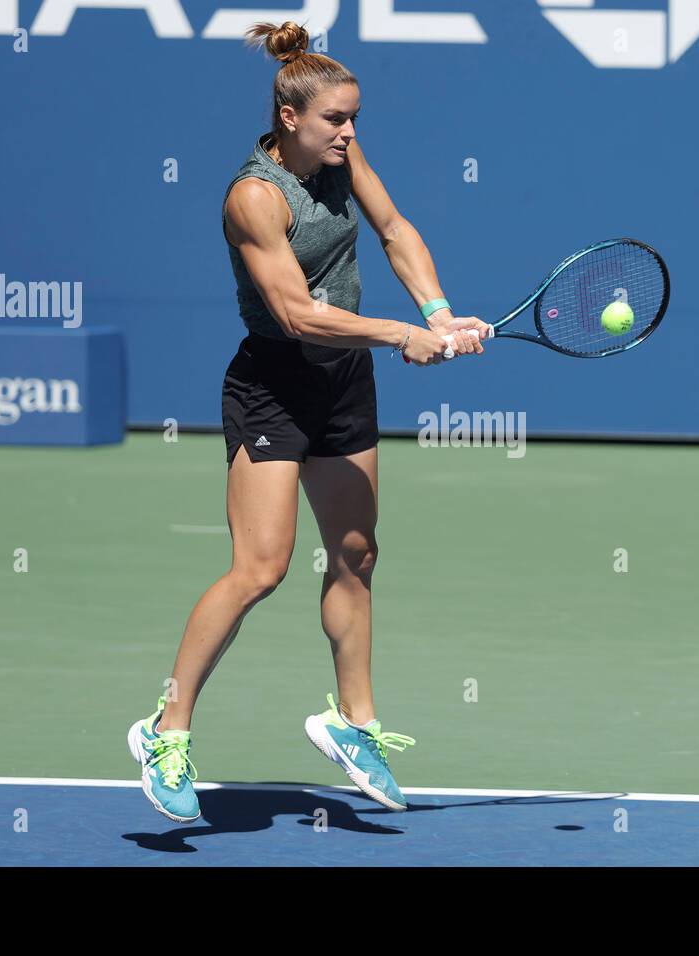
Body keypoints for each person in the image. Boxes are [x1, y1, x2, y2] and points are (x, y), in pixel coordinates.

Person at [127, 19, 490, 822]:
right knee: (262, 568)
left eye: (355, 118)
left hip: (344, 383)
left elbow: (394, 230)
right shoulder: (254, 197)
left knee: (356, 553)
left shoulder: (339, 158)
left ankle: (353, 725)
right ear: (290, 118)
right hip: (275, 386)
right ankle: (166, 728)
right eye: (335, 120)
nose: (350, 132)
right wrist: (403, 334)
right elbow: (295, 315)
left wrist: (438, 310)